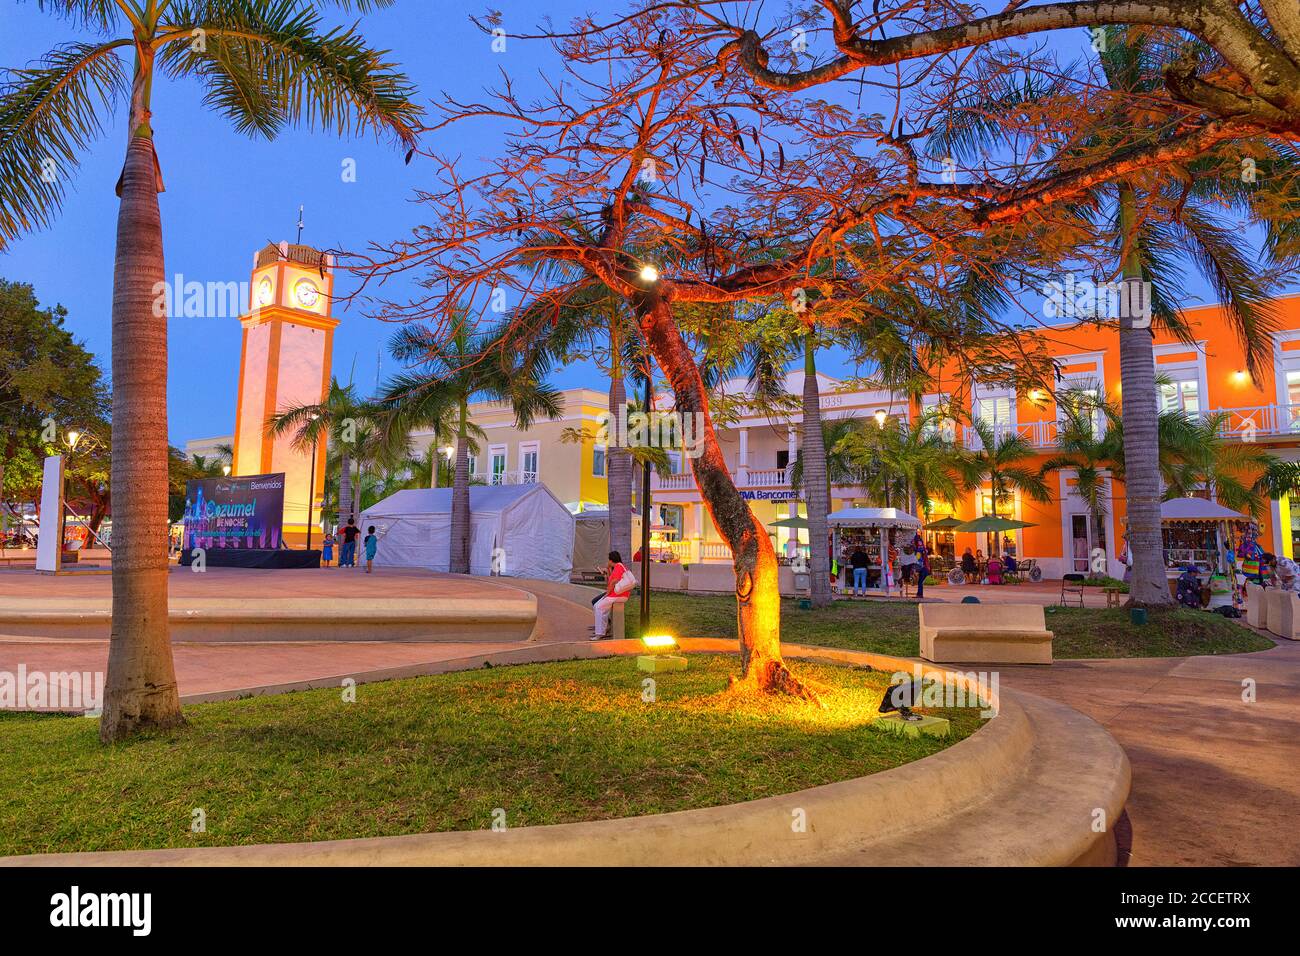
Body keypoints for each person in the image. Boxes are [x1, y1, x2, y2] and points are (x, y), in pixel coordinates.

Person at [592, 550, 631, 640]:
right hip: (620, 594)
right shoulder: (619, 566)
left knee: (598, 606)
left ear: (611, 560)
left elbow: (613, 582)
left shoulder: (618, 566)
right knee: (598, 607)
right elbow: (610, 581)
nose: (608, 561)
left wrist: (608, 594)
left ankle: (600, 633)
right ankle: (602, 630)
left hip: (618, 595)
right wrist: (608, 569)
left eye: (608, 560)